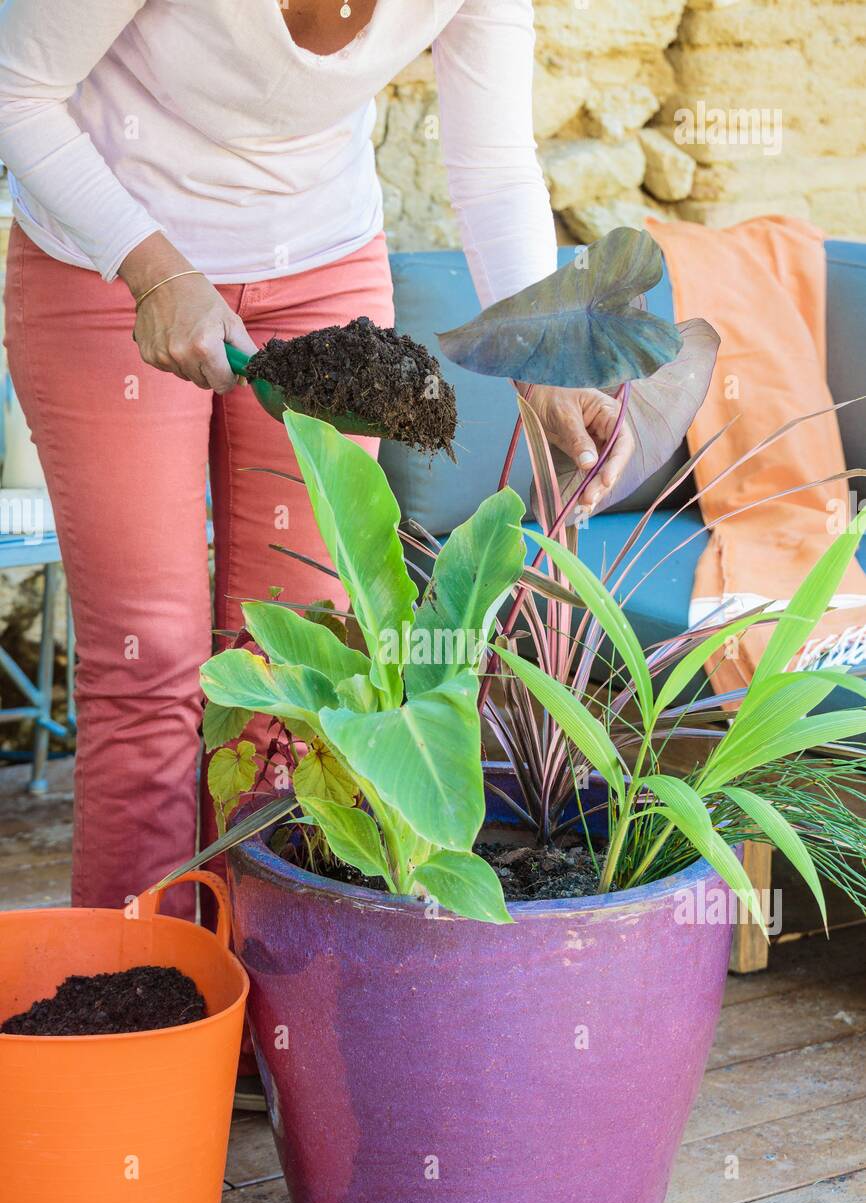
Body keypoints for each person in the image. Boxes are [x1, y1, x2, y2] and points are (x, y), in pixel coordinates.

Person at [0, 0, 633, 919]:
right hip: (107, 265)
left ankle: (274, 993)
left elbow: (493, 165)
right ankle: (142, 996)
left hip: (322, 268)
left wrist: (545, 360)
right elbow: (16, 86)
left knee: (300, 665)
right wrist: (157, 271)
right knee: (151, 660)